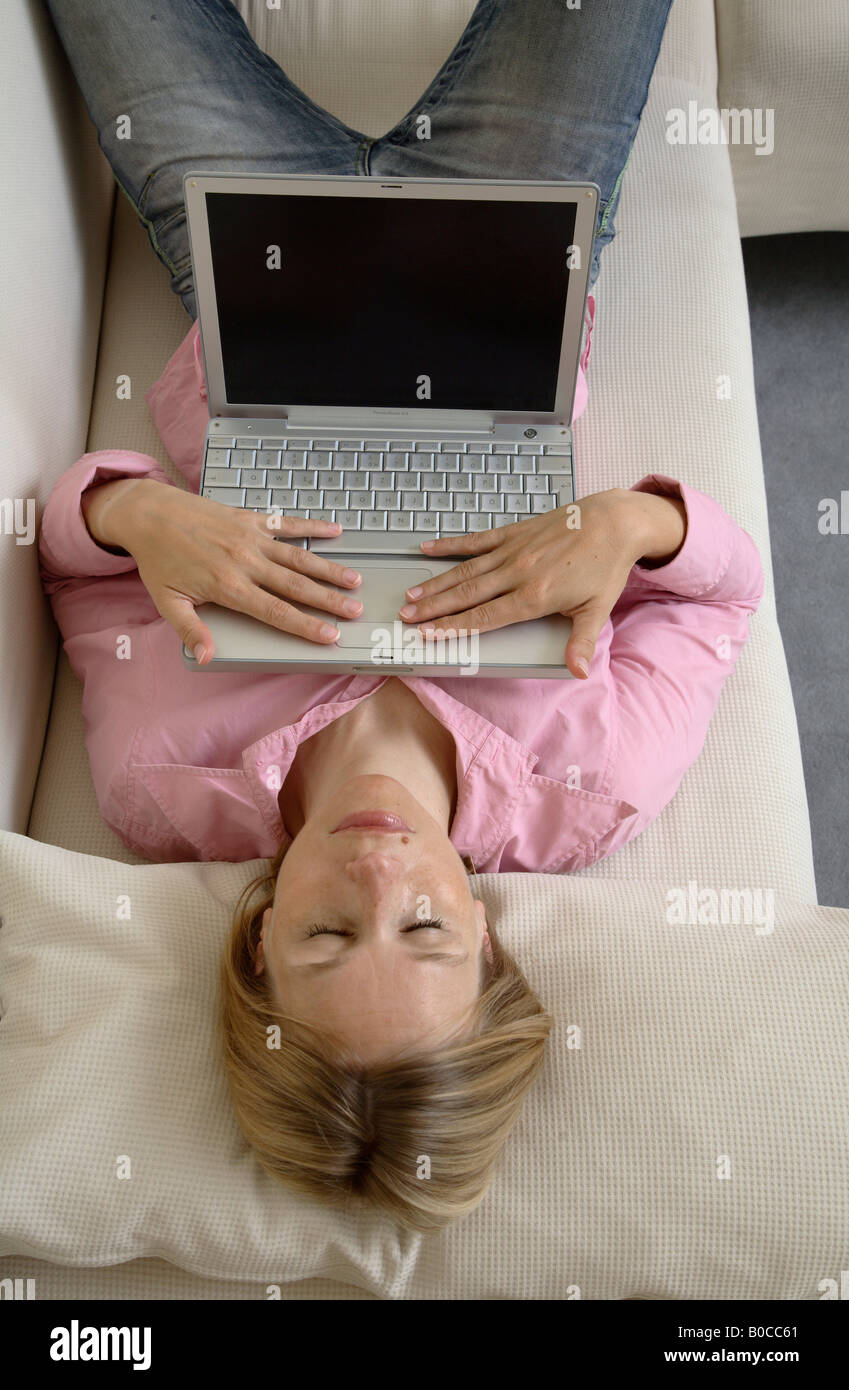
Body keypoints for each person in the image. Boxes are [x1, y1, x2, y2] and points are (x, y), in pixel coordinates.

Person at [39, 0, 763, 1233]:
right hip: (499, 254)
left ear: (259, 941)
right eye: (422, 926)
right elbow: (730, 594)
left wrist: (134, 519)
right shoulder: (592, 783)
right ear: (488, 939)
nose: (380, 871)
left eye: (330, 931)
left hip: (259, 260)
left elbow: (77, 567)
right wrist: (639, 529)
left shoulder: (159, 783)